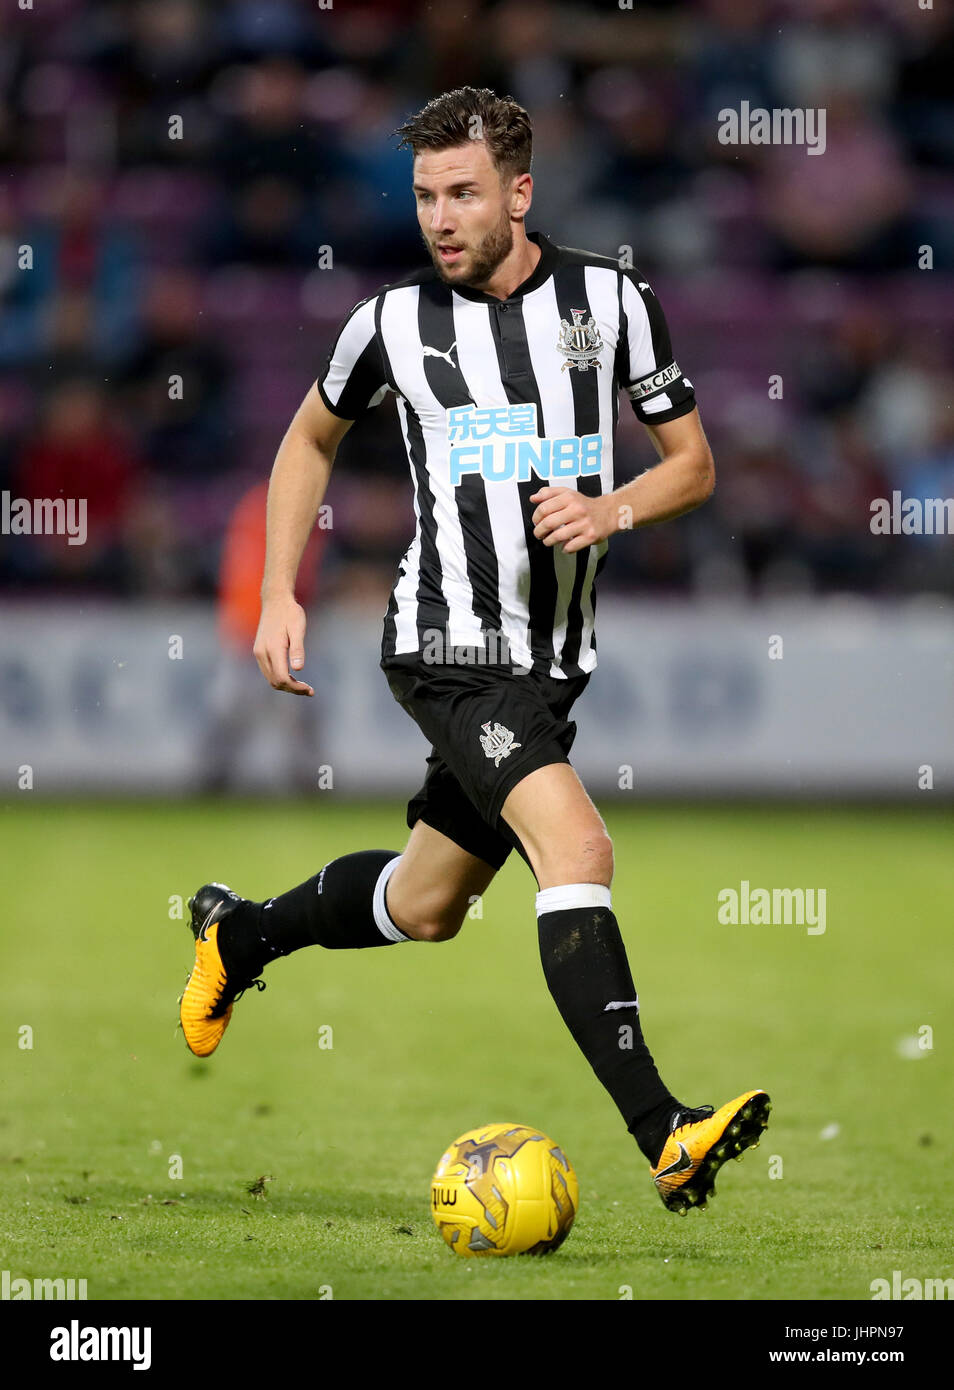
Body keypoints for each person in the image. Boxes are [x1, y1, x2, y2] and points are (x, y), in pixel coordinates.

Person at [178, 87, 769, 1219]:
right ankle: (668, 1133)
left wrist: (614, 511)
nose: (441, 219)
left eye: (462, 193)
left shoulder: (611, 301)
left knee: (429, 900)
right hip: (447, 642)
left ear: (519, 191)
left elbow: (691, 464)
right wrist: (274, 593)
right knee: (577, 844)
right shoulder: (390, 323)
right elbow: (306, 439)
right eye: (424, 197)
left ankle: (237, 932)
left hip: (551, 660)